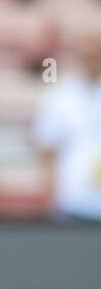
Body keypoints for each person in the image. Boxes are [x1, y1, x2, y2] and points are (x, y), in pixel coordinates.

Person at [35, 23, 101, 222]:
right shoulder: (60, 96)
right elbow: (47, 149)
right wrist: (51, 196)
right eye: (87, 54)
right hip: (72, 202)